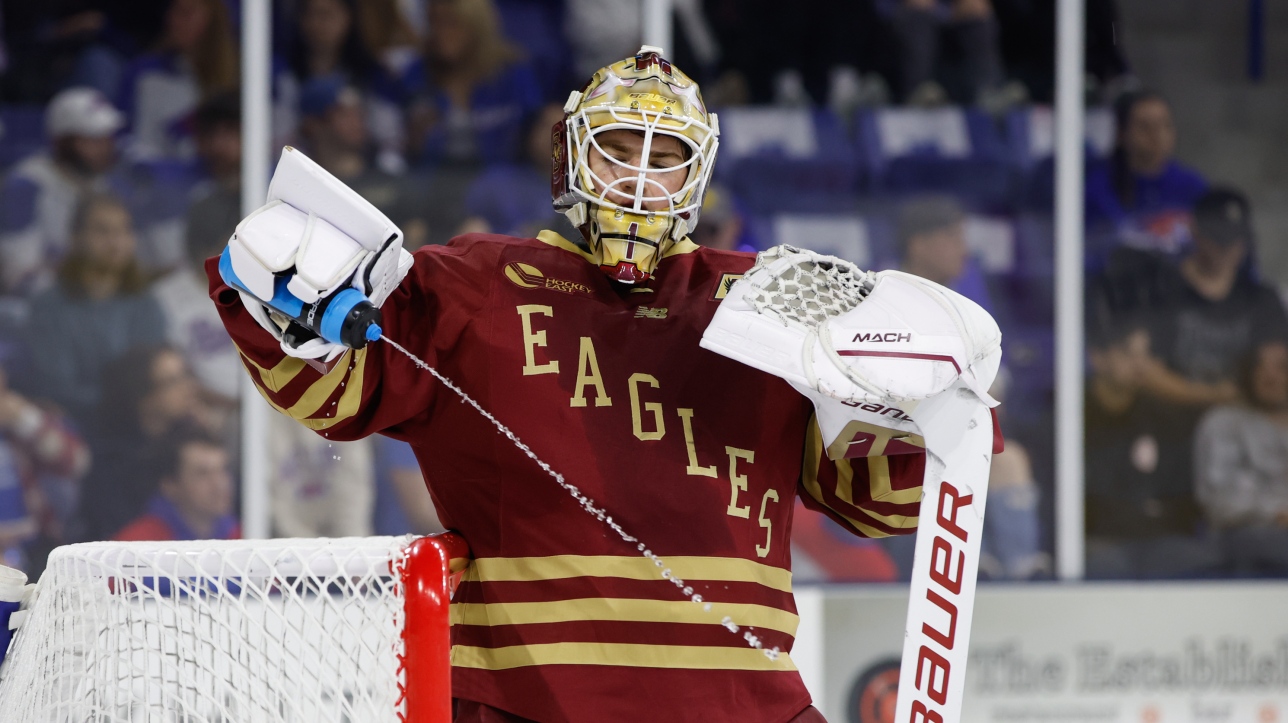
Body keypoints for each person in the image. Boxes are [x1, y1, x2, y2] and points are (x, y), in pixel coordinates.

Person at [211, 47, 933, 722]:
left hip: (745, 705)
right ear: (571, 157)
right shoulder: (475, 284)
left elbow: (880, 502)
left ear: (698, 175)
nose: (639, 179)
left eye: (665, 160)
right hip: (527, 701)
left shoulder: (777, 302)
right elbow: (332, 395)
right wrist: (279, 308)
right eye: (617, 152)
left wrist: (914, 402)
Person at [1084, 323, 1221, 579]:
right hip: (1102, 540)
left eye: (1145, 354)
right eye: (1127, 353)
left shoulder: (1163, 415)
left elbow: (1182, 493)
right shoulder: (1073, 415)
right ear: (1097, 357)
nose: (1139, 364)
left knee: (1201, 563)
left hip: (1163, 538)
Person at [24, 194, 166, 426]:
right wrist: (130, 403)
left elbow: (154, 372)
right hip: (83, 426)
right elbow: (59, 390)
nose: (116, 242)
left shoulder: (146, 301)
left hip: (145, 422)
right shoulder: (49, 307)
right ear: (76, 238)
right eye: (103, 231)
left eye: (124, 230)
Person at [77, 345, 215, 542]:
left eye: (186, 375)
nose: (189, 388)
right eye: (172, 381)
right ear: (143, 396)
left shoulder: (191, 439)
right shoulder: (111, 459)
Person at [0, 87, 124, 296]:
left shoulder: (106, 184)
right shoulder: (25, 187)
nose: (105, 148)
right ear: (61, 142)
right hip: (39, 308)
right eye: (92, 140)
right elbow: (18, 276)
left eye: (107, 138)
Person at [402, 0, 543, 167]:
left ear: (476, 25)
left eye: (451, 23)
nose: (441, 33)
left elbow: (536, 136)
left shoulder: (513, 73)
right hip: (430, 184)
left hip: (504, 182)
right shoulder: (415, 77)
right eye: (434, 22)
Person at [1194, 341, 1288, 576]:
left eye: (1282, 367)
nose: (1270, 375)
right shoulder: (1224, 422)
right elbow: (1219, 503)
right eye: (1260, 366)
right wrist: (1276, 514)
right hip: (1243, 535)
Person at [1085, 91, 1208, 254]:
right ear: (1122, 134)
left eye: (1165, 125)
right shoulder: (1097, 186)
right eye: (1145, 127)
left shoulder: (1192, 185)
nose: (1157, 135)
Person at [116, 0, 238, 161]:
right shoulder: (144, 72)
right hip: (153, 179)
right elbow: (121, 137)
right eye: (171, 11)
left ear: (214, 20)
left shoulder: (247, 75)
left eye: (186, 13)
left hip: (226, 180)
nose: (173, 20)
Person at [114, 430, 238, 541]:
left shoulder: (244, 537)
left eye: (223, 470)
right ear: (170, 485)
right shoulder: (137, 545)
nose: (220, 485)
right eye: (202, 474)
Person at [267, 410, 374, 538]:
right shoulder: (266, 415)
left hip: (344, 541)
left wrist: (350, 544)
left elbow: (354, 491)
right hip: (289, 545)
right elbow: (276, 501)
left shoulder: (345, 406)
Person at [896, 195, 994, 313]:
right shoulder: (877, 292)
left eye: (962, 238)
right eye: (953, 237)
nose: (964, 250)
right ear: (918, 245)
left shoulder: (969, 286)